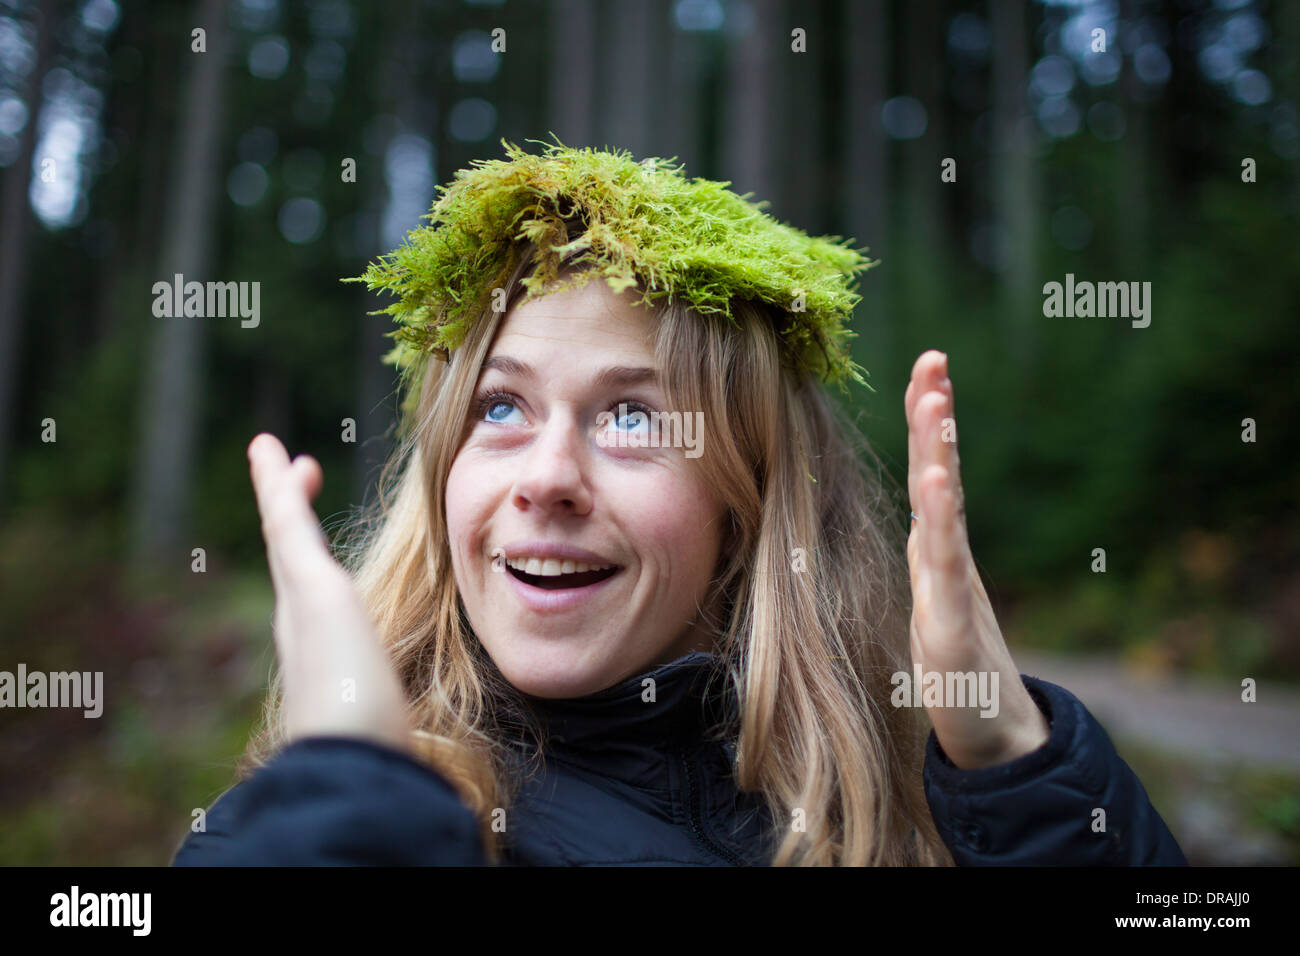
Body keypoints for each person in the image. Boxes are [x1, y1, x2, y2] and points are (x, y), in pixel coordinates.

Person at [172, 139, 1186, 866]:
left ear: (745, 502)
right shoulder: (302, 826)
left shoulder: (908, 812)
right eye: (500, 405)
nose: (547, 476)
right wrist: (348, 796)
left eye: (632, 418)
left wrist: (1014, 756)